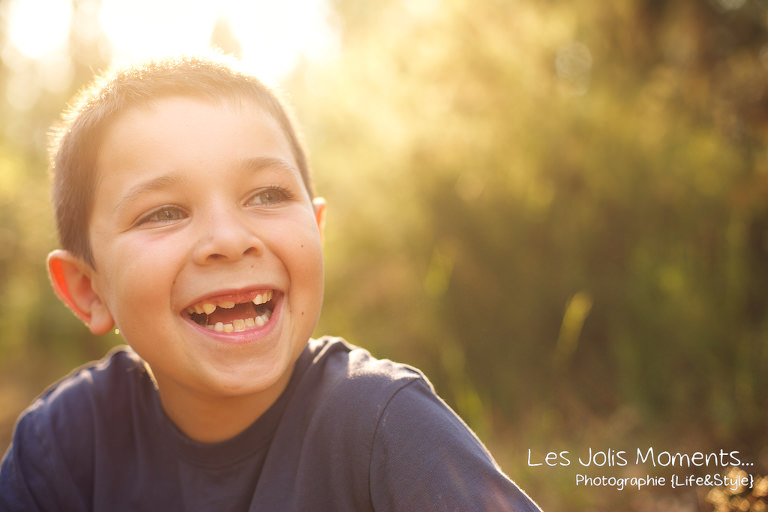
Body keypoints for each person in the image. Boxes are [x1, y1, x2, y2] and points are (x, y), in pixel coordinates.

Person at [0, 54, 541, 511]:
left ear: (317, 230)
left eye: (267, 196)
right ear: (88, 290)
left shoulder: (384, 425)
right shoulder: (64, 446)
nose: (230, 240)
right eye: (164, 212)